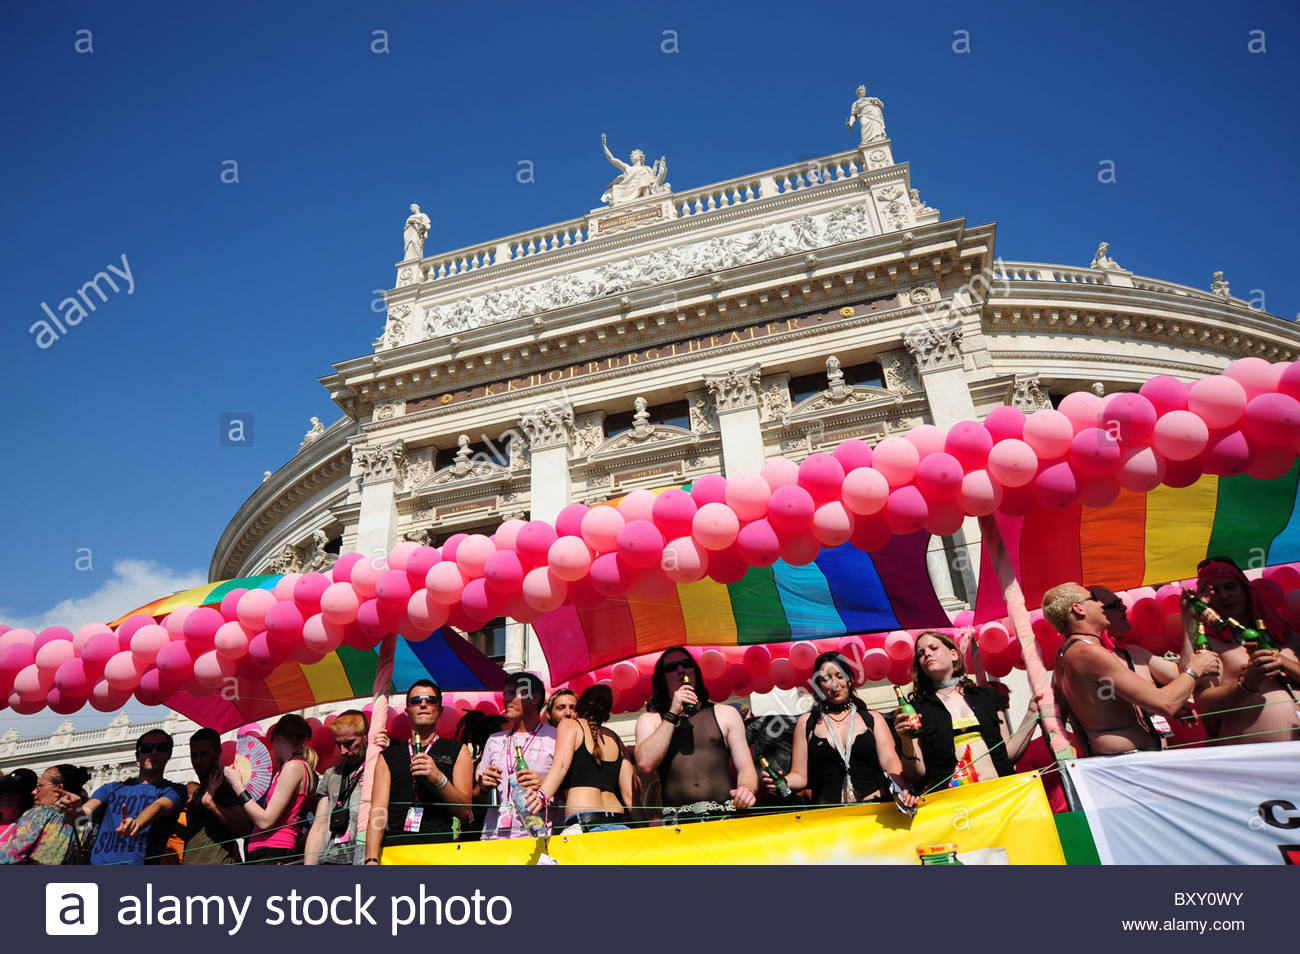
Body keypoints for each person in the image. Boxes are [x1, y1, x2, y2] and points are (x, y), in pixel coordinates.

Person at [1043, 582, 1221, 755]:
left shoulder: (1071, 653)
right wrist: (1195, 668)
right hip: (1124, 761)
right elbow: (1166, 703)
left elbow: (1107, 710)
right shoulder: (1086, 651)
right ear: (1078, 609)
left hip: (1124, 760)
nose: (1100, 605)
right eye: (1094, 599)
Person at [895, 633, 1038, 793]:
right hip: (956, 805)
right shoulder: (917, 709)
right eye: (921, 653)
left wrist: (1031, 716)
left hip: (1000, 795)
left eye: (934, 648)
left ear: (954, 654)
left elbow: (1007, 754)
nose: (927, 654)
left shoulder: (986, 696)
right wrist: (906, 741)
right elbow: (916, 776)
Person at [773, 652, 916, 809]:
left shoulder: (873, 718)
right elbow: (800, 775)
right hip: (830, 816)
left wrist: (903, 787)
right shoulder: (806, 723)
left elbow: (890, 761)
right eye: (826, 679)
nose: (834, 684)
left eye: (840, 676)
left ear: (849, 681)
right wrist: (783, 782)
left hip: (874, 810)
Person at [635, 647, 758, 824]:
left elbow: (746, 768)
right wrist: (672, 714)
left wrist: (747, 789)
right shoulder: (650, 720)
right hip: (676, 822)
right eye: (671, 667)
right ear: (663, 679)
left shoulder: (726, 713)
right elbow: (645, 763)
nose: (680, 670)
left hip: (724, 816)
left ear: (695, 672)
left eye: (686, 664)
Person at [1189, 557, 1300, 745]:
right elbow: (1205, 707)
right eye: (1214, 590)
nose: (1224, 595)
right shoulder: (1205, 643)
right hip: (1255, 759)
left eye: (1230, 586)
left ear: (1245, 589)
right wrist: (1246, 684)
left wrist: (1281, 660)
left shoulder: (1281, 629)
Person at [367, 682, 473, 863]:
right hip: (394, 852)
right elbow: (378, 811)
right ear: (407, 711)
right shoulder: (389, 756)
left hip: (439, 851)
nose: (423, 704)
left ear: (439, 710)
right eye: (416, 701)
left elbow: (464, 811)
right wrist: (371, 859)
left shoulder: (457, 750)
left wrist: (439, 779)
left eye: (430, 700)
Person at [1089, 585, 1206, 747]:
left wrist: (1188, 619)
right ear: (1095, 613)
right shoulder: (1087, 660)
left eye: (1121, 602)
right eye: (1115, 605)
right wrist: (1157, 706)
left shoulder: (1135, 653)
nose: (1123, 607)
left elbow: (1181, 674)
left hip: (1157, 756)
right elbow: (1104, 713)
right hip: (1125, 761)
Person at [529, 685, 635, 834]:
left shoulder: (570, 725)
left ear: (581, 706)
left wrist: (541, 796)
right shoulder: (615, 739)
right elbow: (630, 794)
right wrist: (642, 826)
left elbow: (560, 766)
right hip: (619, 824)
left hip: (583, 824)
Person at [80, 730, 188, 865]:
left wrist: (138, 823)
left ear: (169, 754)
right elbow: (85, 813)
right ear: (138, 755)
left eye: (161, 748)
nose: (154, 752)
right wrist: (74, 812)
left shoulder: (175, 790)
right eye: (147, 748)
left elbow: (159, 806)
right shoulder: (111, 788)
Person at [475, 672, 558, 839]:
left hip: (537, 837)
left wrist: (545, 788)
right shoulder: (494, 740)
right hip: (493, 838)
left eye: (513, 693)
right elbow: (476, 796)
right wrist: (483, 786)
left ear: (534, 698)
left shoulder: (555, 737)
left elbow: (569, 795)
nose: (506, 699)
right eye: (505, 694)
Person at [224, 714, 317, 864]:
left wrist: (237, 785)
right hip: (271, 850)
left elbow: (266, 821)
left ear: (278, 737)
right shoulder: (298, 766)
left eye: (271, 741)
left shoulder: (294, 766)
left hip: (272, 851)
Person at [172, 728, 249, 865]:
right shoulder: (204, 788)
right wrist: (172, 824)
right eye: (193, 755)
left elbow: (243, 828)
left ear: (218, 752)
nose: (198, 760)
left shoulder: (224, 785)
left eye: (204, 754)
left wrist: (211, 805)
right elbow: (196, 836)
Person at [306, 710, 373, 865]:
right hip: (329, 859)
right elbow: (319, 826)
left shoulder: (379, 768)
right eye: (338, 744)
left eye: (349, 743)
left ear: (365, 737)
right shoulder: (331, 774)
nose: (343, 751)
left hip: (363, 857)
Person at [1, 764, 90, 865]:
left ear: (58, 788)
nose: (34, 792)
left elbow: (11, 854)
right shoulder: (85, 823)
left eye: (40, 786)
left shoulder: (38, 814)